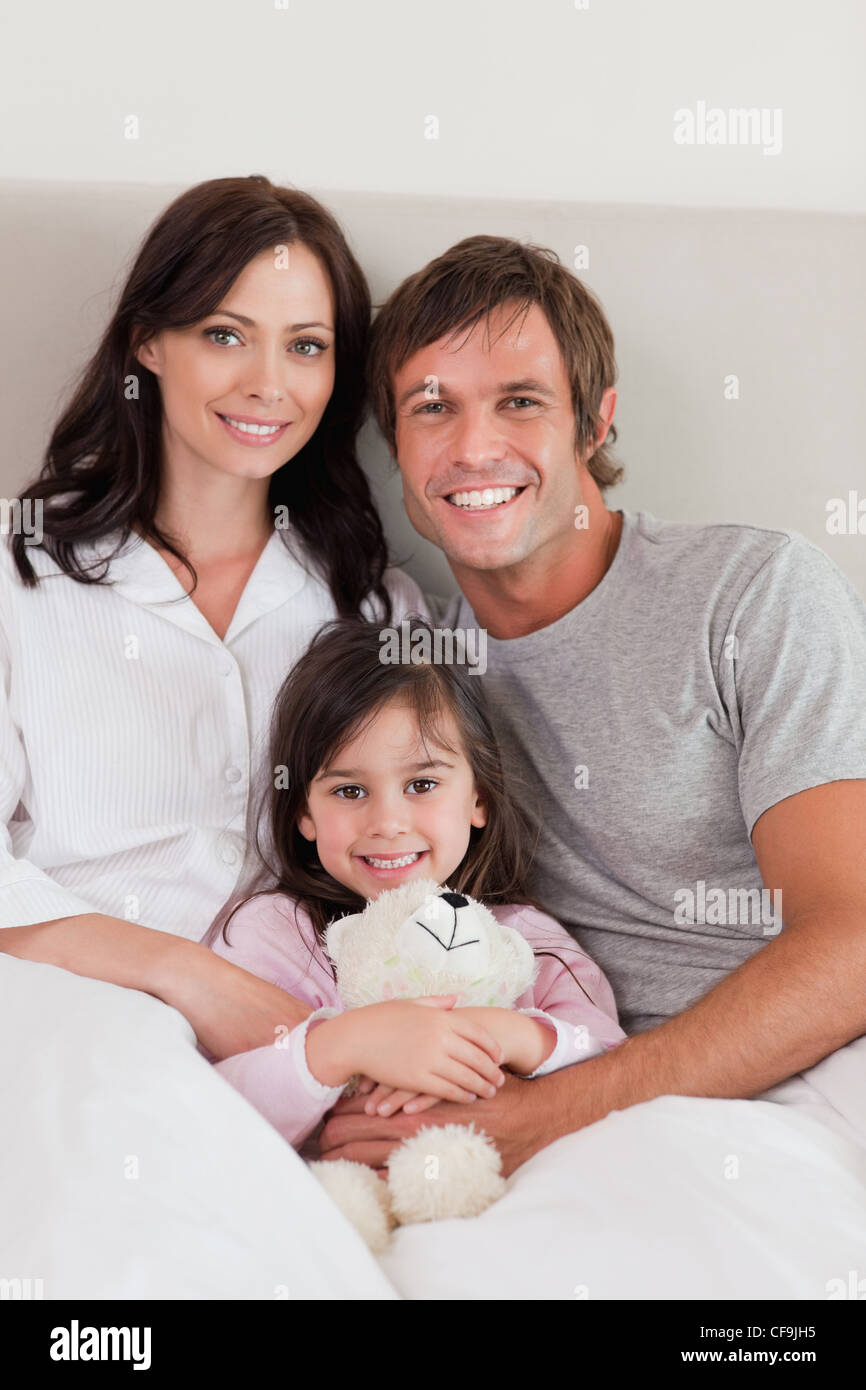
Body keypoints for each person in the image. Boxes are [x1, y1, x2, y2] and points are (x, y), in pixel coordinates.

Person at [317, 233, 866, 1175]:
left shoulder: (752, 594)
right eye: (432, 407)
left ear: (594, 422)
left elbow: (854, 939)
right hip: (588, 1097)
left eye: (520, 402)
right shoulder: (420, 686)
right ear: (395, 443)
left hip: (819, 1069)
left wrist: (545, 1116)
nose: (473, 447)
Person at [0, 175, 428, 1061]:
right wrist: (188, 978)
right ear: (148, 341)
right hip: (68, 1015)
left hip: (308, 1037)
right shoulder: (17, 566)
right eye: (226, 334)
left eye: (306, 346)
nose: (269, 384)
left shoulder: (376, 607)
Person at [204, 616, 626, 1158]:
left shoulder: (526, 941)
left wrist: (507, 1035)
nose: (388, 821)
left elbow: (610, 1061)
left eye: (422, 785)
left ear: (479, 799)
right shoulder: (273, 935)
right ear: (303, 814)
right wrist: (342, 1046)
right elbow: (213, 1102)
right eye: (350, 790)